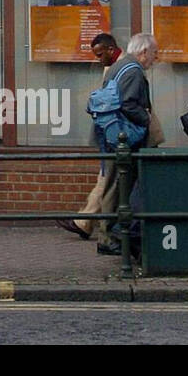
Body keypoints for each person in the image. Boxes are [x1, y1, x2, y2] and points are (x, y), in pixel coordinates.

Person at [56, 33, 123, 240]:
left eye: (100, 54)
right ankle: (85, 221)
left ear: (111, 50)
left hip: (117, 133)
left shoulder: (120, 68)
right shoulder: (114, 65)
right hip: (112, 132)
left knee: (107, 178)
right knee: (105, 177)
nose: (98, 59)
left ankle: (88, 223)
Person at [94, 33, 156, 256]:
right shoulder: (134, 72)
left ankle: (112, 233)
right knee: (116, 186)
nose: (154, 59)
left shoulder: (119, 67)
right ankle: (109, 236)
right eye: (154, 54)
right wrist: (146, 118)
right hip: (123, 137)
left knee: (115, 183)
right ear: (144, 52)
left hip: (111, 132)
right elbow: (129, 103)